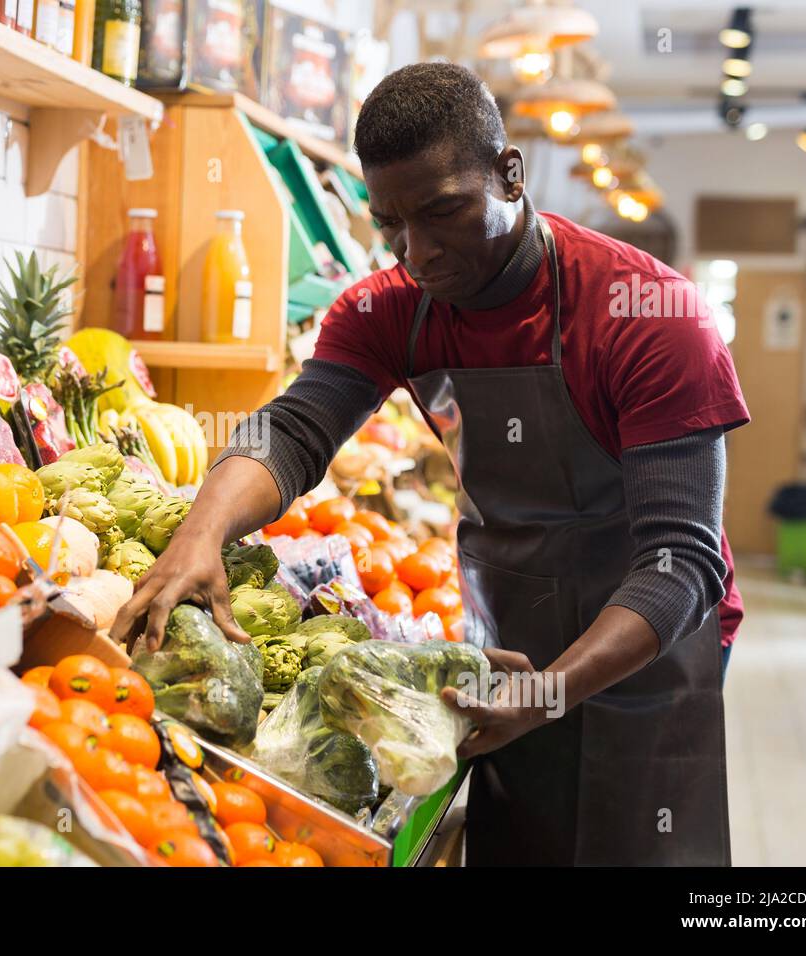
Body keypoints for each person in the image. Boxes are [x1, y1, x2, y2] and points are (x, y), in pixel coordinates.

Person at [110, 62, 748, 865]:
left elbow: (680, 562)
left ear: (510, 173)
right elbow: (297, 428)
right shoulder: (388, 310)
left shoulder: (646, 315)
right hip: (509, 636)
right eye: (392, 226)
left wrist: (551, 695)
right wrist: (201, 533)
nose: (420, 253)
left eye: (445, 211)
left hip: (648, 642)